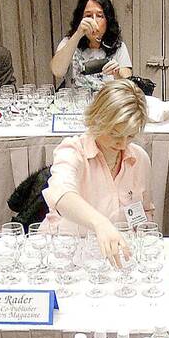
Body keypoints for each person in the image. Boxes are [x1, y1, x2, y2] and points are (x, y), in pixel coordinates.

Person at [43, 80, 154, 269]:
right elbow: (60, 195)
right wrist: (100, 223)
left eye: (130, 136)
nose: (123, 144)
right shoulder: (73, 151)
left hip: (115, 259)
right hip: (66, 254)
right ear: (97, 120)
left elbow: (143, 215)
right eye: (115, 134)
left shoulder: (139, 159)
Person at [51, 0, 132, 90]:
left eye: (100, 16)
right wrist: (78, 34)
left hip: (106, 102)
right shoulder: (69, 41)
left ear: (107, 20)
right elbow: (57, 71)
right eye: (88, 16)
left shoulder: (118, 45)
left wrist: (117, 74)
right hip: (76, 102)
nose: (93, 21)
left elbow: (128, 85)